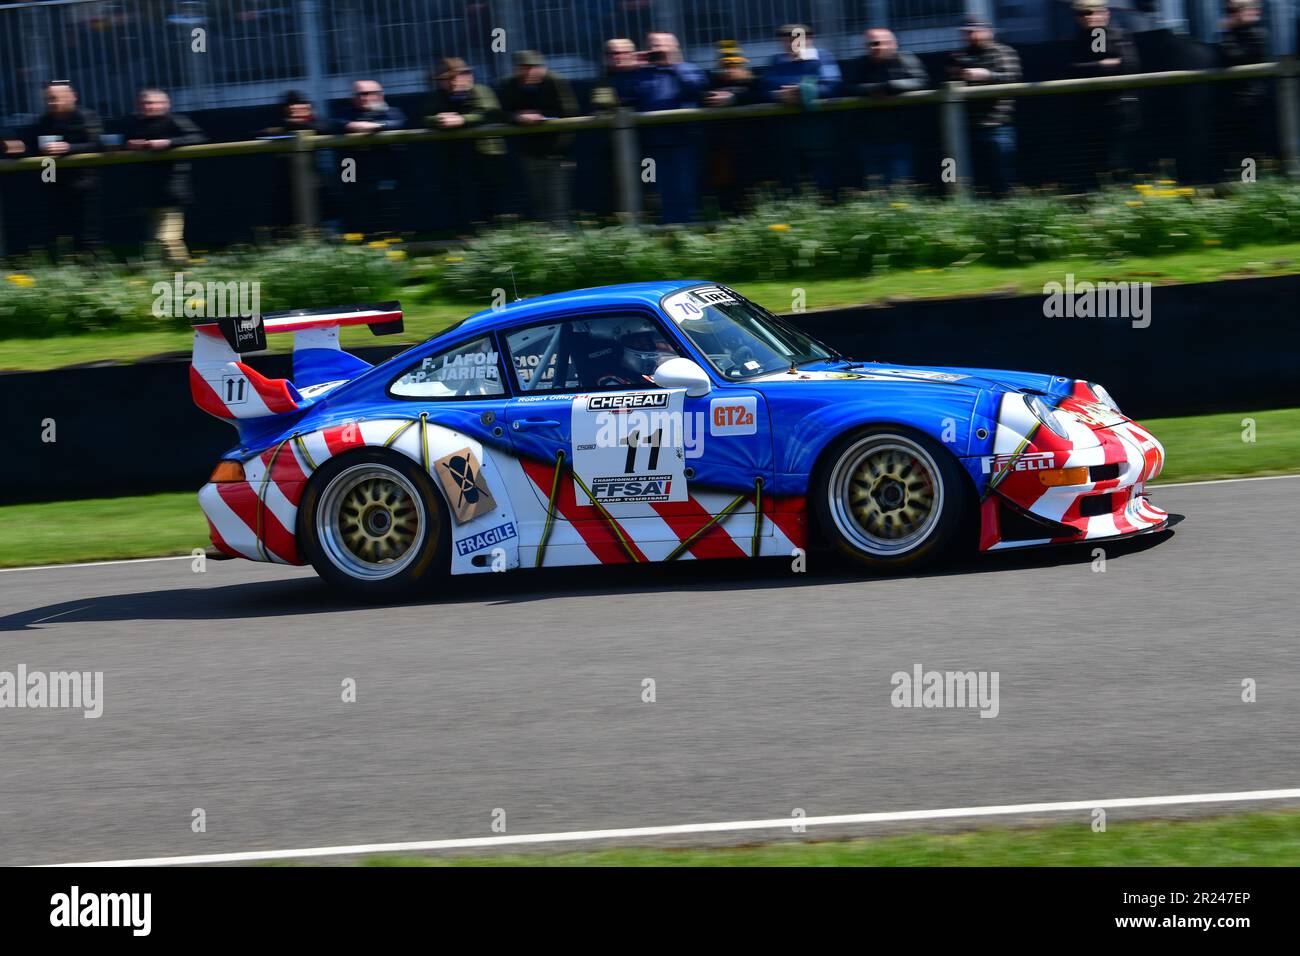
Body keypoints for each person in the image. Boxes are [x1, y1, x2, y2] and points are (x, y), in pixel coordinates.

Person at [620, 32, 707, 224]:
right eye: (651, 45)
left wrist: (673, 65)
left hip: (682, 144)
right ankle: (658, 234)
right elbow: (624, 98)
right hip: (649, 149)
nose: (654, 49)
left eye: (659, 45)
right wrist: (633, 67)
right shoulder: (640, 74)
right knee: (652, 188)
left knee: (684, 189)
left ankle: (685, 233)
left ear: (674, 47)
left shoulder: (689, 69)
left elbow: (695, 89)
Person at [123, 88, 205, 264]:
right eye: (145, 103)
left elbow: (198, 138)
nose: (149, 107)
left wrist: (168, 143)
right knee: (155, 241)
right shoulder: (135, 124)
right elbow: (126, 142)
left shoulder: (175, 120)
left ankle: (181, 272)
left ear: (166, 104)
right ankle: (171, 273)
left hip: (171, 191)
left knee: (167, 238)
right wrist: (131, 144)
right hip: (147, 191)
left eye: (154, 103)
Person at [497, 50, 579, 224]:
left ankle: (563, 241)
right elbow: (500, 113)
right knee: (538, 203)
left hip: (557, 152)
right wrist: (517, 117)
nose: (529, 73)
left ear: (543, 68)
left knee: (558, 204)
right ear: (516, 70)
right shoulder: (509, 84)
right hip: (529, 152)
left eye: (534, 68)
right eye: (524, 68)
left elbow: (570, 112)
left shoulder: (556, 81)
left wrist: (541, 117)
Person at [759, 24, 842, 195]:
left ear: (809, 39)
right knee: (790, 182)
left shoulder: (822, 58)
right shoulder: (776, 61)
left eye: (794, 39)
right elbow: (763, 88)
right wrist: (779, 96)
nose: (790, 44)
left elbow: (832, 86)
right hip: (786, 134)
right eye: (785, 41)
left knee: (823, 179)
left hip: (817, 132)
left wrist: (800, 92)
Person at [425, 58, 507, 230]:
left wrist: (462, 119)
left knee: (488, 195)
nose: (450, 83)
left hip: (486, 154)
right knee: (459, 196)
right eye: (443, 80)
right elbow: (426, 116)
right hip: (456, 156)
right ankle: (465, 233)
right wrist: (440, 120)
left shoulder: (480, 90)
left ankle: (492, 232)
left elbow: (489, 113)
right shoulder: (440, 96)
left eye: (451, 77)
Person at [1067, 0, 1141, 189]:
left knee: (1116, 163)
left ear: (1105, 13)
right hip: (1094, 114)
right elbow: (1078, 69)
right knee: (1098, 164)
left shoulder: (1104, 35)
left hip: (1117, 112)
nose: (1089, 18)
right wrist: (1100, 65)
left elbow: (1125, 65)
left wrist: (1100, 65)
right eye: (1083, 14)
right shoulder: (1086, 37)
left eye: (1093, 12)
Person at [841, 29, 929, 187]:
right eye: (869, 44)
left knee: (900, 189)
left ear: (892, 44)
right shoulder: (859, 63)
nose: (873, 48)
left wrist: (891, 86)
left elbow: (921, 81)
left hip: (902, 136)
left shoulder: (906, 59)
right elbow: (848, 87)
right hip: (869, 138)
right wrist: (875, 90)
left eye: (877, 43)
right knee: (875, 189)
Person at [947, 16, 1021, 197]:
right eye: (966, 33)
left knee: (1002, 177)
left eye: (973, 32)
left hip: (997, 126)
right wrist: (957, 73)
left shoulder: (1003, 52)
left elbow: (1012, 78)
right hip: (966, 129)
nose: (970, 36)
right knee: (966, 178)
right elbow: (949, 82)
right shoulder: (961, 55)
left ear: (988, 31)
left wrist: (985, 75)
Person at [29, 80, 103, 251]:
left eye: (55, 98)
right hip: (51, 180)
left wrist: (69, 148)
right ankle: (61, 265)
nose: (51, 103)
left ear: (72, 97)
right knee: (54, 229)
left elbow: (97, 143)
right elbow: (30, 144)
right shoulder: (44, 121)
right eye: (48, 99)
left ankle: (89, 268)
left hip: (82, 182)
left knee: (85, 230)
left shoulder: (86, 117)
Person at [331, 80, 406, 234]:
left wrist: (377, 126)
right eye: (359, 94)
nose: (363, 98)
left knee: (387, 202)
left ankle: (390, 234)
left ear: (380, 95)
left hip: (383, 168)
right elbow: (334, 123)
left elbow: (398, 122)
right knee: (351, 200)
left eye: (368, 93)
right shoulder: (344, 112)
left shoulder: (391, 111)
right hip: (349, 166)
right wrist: (350, 126)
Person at [703, 41, 761, 212]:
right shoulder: (712, 84)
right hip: (722, 150)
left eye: (733, 65)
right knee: (725, 193)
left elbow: (760, 95)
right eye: (725, 66)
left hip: (750, 149)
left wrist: (734, 98)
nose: (729, 70)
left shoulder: (753, 84)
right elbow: (702, 95)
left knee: (750, 194)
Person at [260, 90, 330, 232]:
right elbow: (262, 133)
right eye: (291, 105)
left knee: (317, 219)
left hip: (315, 182)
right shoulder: (276, 121)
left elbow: (327, 128)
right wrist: (288, 124)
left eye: (299, 104)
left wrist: (303, 121)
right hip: (283, 184)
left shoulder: (316, 122)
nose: (295, 109)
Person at [1218, 0, 1270, 174]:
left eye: (1236, 10)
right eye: (1230, 10)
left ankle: (1250, 181)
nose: (1232, 14)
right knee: (1237, 146)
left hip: (1251, 101)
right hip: (1235, 100)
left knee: (1249, 146)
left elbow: (1234, 56)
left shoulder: (1257, 33)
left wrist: (1228, 31)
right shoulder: (1237, 33)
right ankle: (1240, 182)